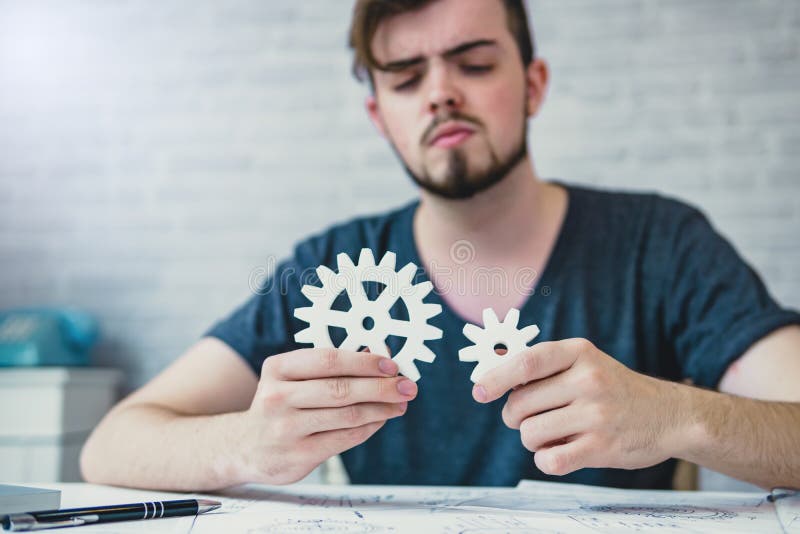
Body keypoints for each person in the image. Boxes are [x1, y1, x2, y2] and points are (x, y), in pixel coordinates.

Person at [81, 0, 800, 492]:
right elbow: (110, 446)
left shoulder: (662, 245)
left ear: (534, 84)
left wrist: (676, 416)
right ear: (378, 114)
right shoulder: (326, 270)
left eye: (475, 63)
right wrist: (249, 443)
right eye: (405, 76)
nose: (441, 94)